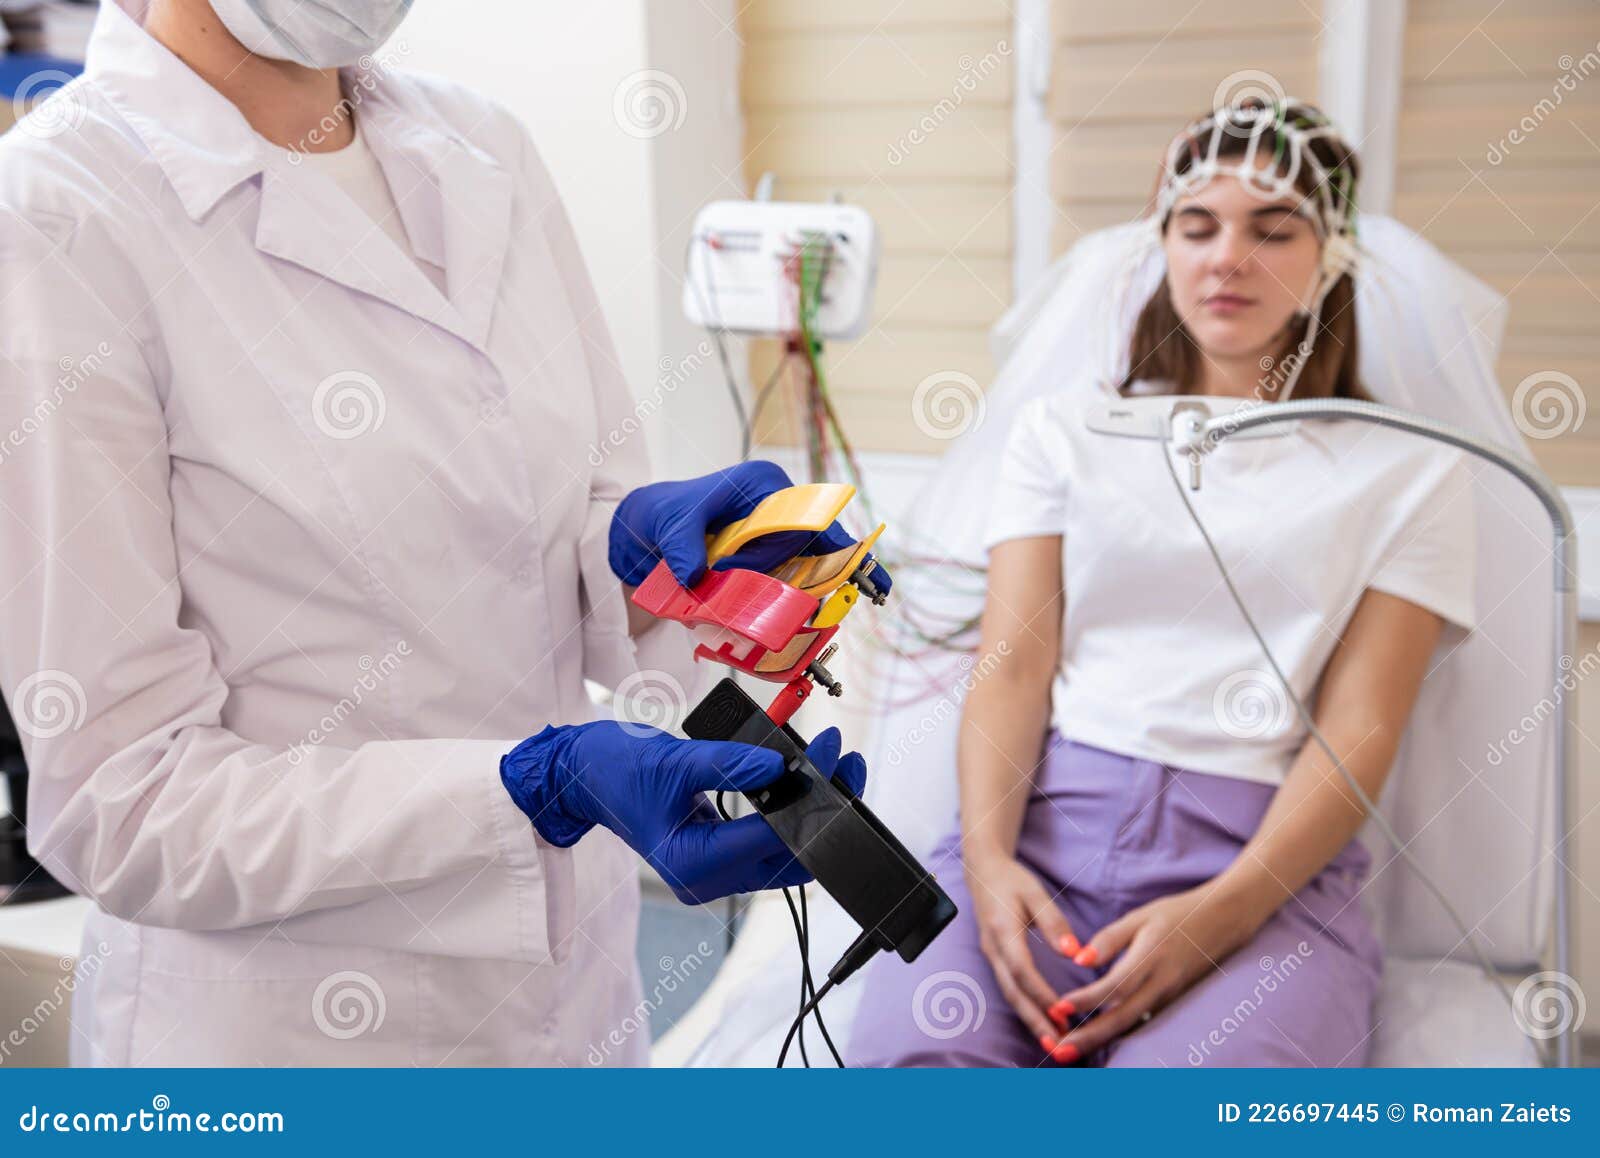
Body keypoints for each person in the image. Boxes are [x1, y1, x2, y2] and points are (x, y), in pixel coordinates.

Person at [0, 0, 873, 1065]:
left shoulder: (482, 146)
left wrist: (646, 558)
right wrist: (523, 791)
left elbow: (562, 519)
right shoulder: (55, 215)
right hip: (291, 1037)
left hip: (571, 1002)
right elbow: (119, 805)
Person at [847, 101, 1475, 1067]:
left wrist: (1217, 920)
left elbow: (1362, 729)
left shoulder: (1411, 472)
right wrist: (988, 865)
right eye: (1198, 226)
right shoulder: (1065, 432)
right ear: (1163, 246)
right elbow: (1014, 670)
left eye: (1274, 229)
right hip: (1036, 844)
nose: (1229, 257)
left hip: (1260, 880)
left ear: (1332, 260)